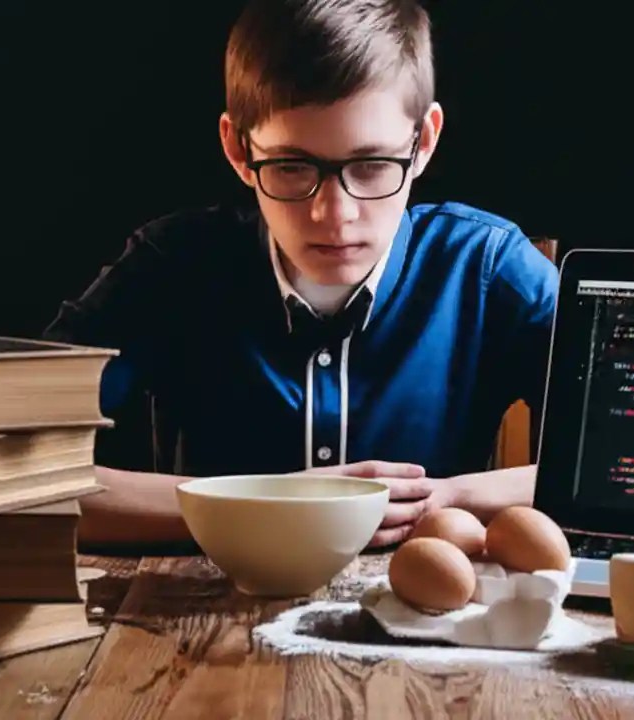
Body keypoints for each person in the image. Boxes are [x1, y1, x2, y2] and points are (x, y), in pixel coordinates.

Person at [43, 0, 559, 549]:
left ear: (424, 142)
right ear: (239, 150)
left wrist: (448, 498)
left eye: (372, 165)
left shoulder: (486, 268)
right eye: (291, 167)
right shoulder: (172, 266)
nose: (334, 215)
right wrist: (262, 505)